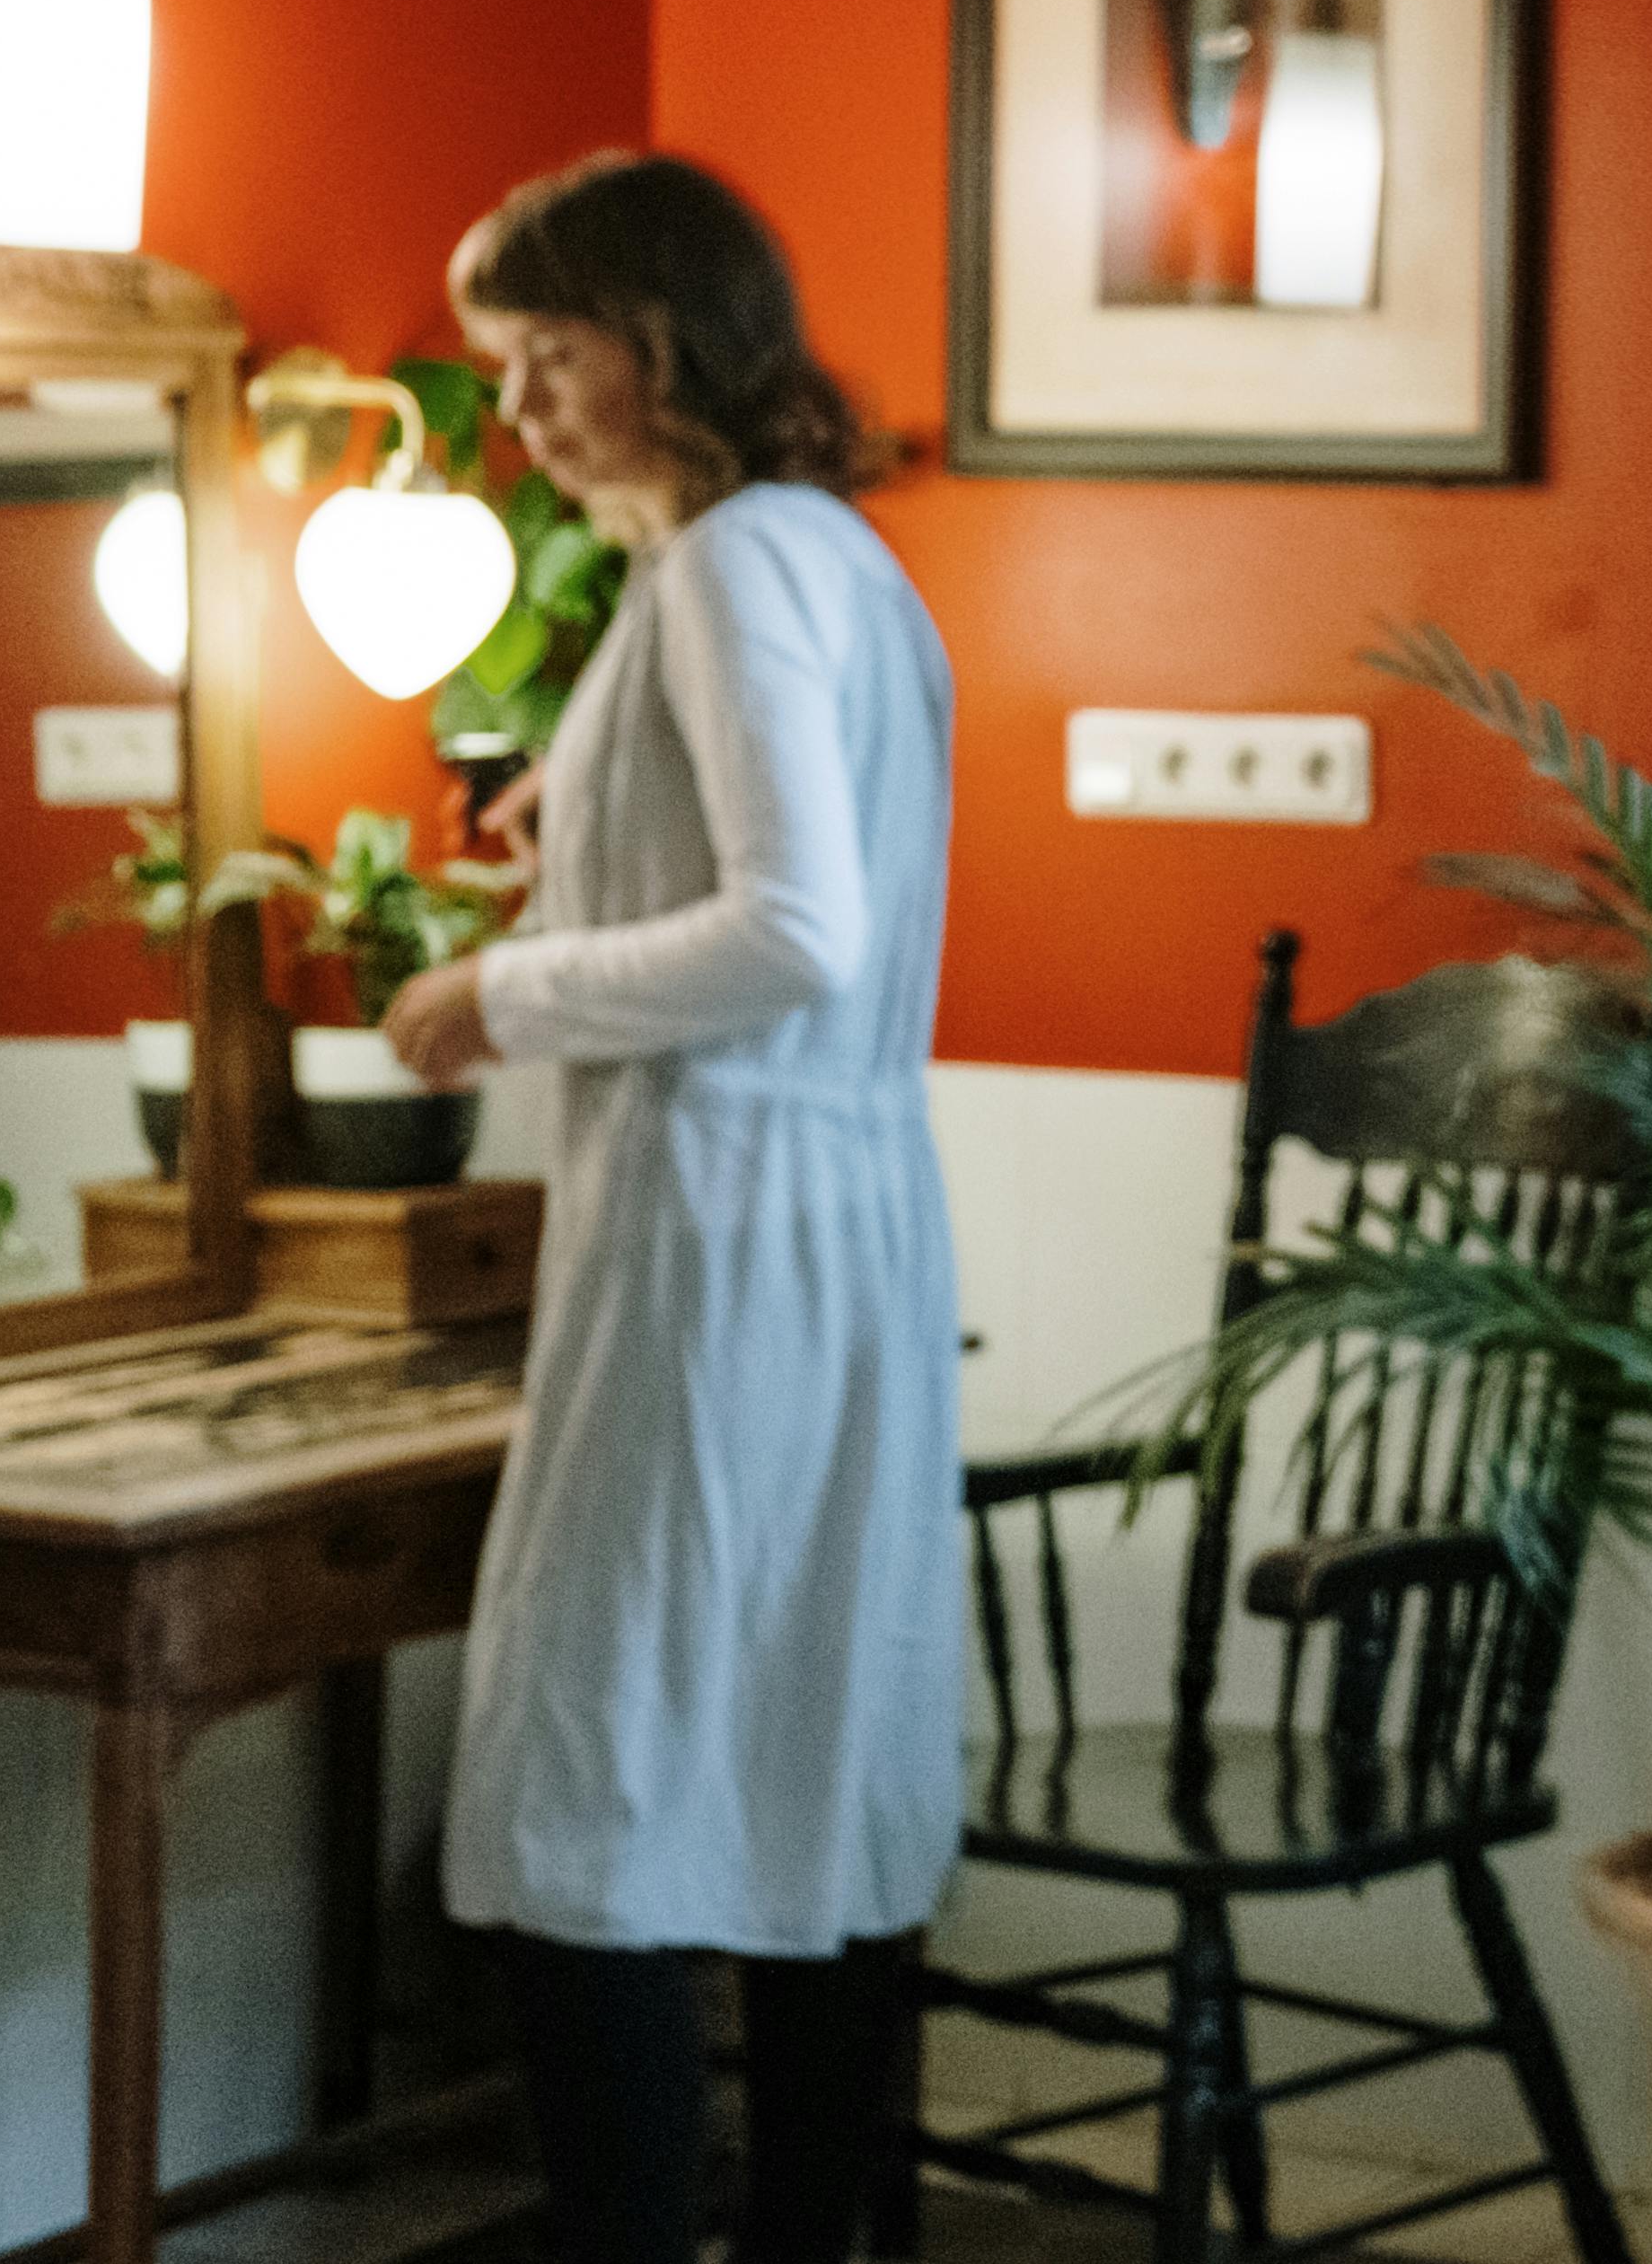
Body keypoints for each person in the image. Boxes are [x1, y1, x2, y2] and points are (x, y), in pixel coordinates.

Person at [382, 150, 963, 2264]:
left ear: (661, 339)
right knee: (804, 1760)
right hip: (837, 1224)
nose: (519, 409)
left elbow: (792, 924)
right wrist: (588, 821)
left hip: (719, 1244)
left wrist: (496, 987)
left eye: (545, 356)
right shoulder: (835, 565)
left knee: (576, 1794)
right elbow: (805, 880)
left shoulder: (725, 573)